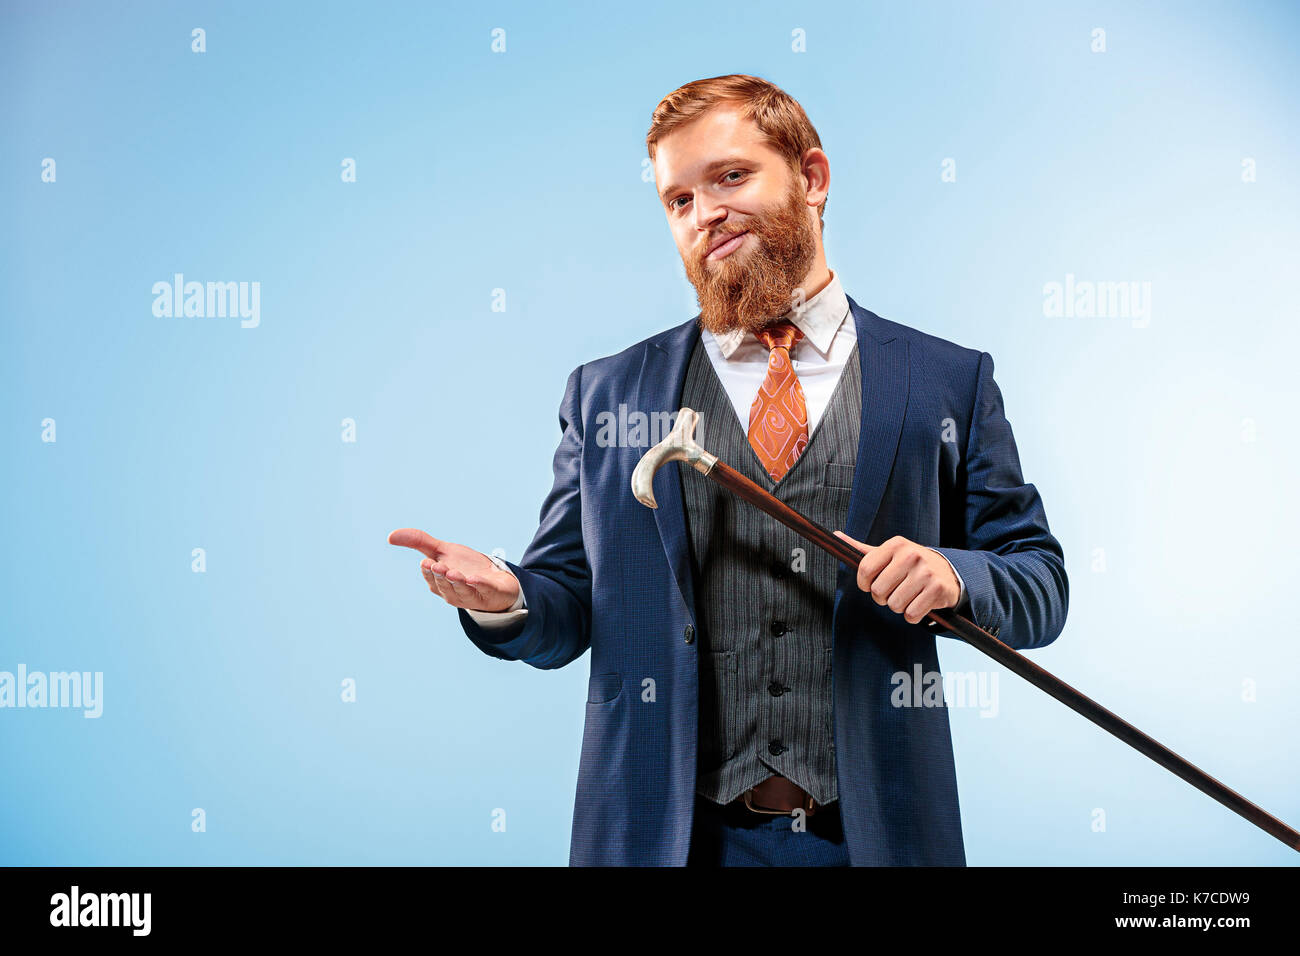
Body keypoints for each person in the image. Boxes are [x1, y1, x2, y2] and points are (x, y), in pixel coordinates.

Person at [389, 74, 1068, 866]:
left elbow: (1039, 585)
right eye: (678, 200)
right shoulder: (607, 393)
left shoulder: (948, 380)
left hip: (875, 836)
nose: (704, 212)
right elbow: (566, 606)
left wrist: (954, 576)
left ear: (811, 178)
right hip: (668, 838)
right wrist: (506, 600)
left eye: (731, 177)